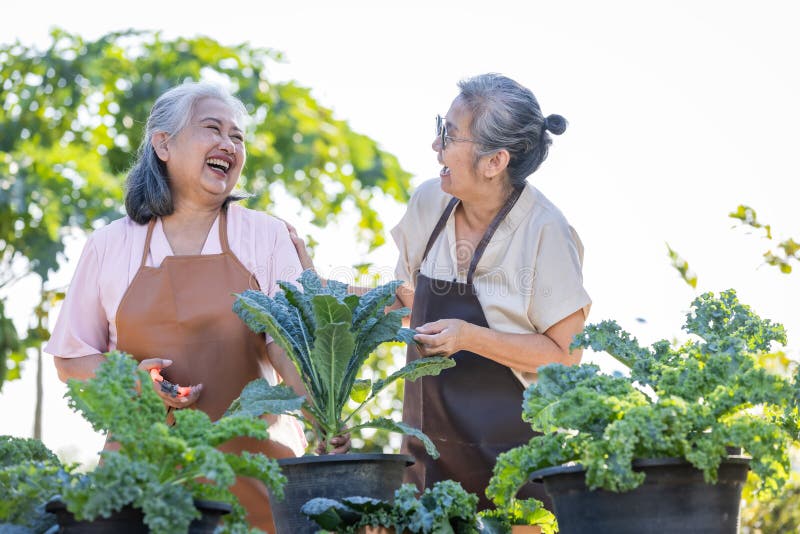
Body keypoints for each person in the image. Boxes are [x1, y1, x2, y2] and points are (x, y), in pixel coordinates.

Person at [288, 73, 591, 510]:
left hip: (518, 464)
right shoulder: (431, 202)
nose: (436, 145)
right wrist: (321, 290)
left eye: (449, 134)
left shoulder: (546, 231)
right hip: (430, 457)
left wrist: (468, 337)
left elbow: (565, 356)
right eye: (440, 128)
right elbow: (406, 302)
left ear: (494, 161)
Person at [46, 81, 323, 532]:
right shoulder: (111, 245)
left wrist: (319, 415)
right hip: (144, 478)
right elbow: (71, 357)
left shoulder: (266, 236)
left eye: (237, 137)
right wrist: (133, 381)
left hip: (257, 473)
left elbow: (285, 346)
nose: (228, 144)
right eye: (212, 128)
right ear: (163, 145)